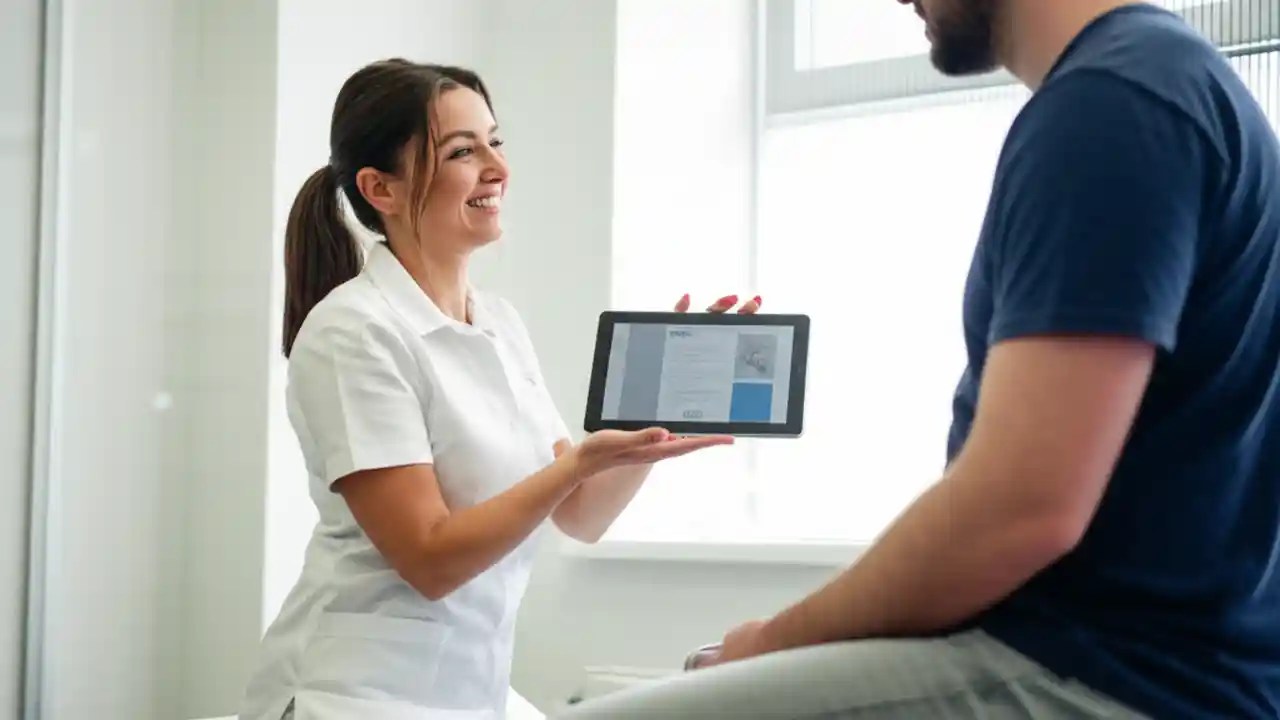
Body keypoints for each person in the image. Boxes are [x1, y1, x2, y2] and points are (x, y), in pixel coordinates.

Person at [558, 1, 1280, 718]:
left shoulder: (1112, 104)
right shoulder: (1167, 81)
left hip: (1105, 674)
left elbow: (1021, 508)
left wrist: (772, 643)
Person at [237, 59, 756, 719]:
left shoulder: (499, 324)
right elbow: (429, 558)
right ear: (381, 189)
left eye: (494, 141)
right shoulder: (351, 333)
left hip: (469, 694)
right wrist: (577, 463)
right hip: (352, 694)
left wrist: (658, 408)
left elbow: (581, 513)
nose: (497, 167)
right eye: (461, 150)